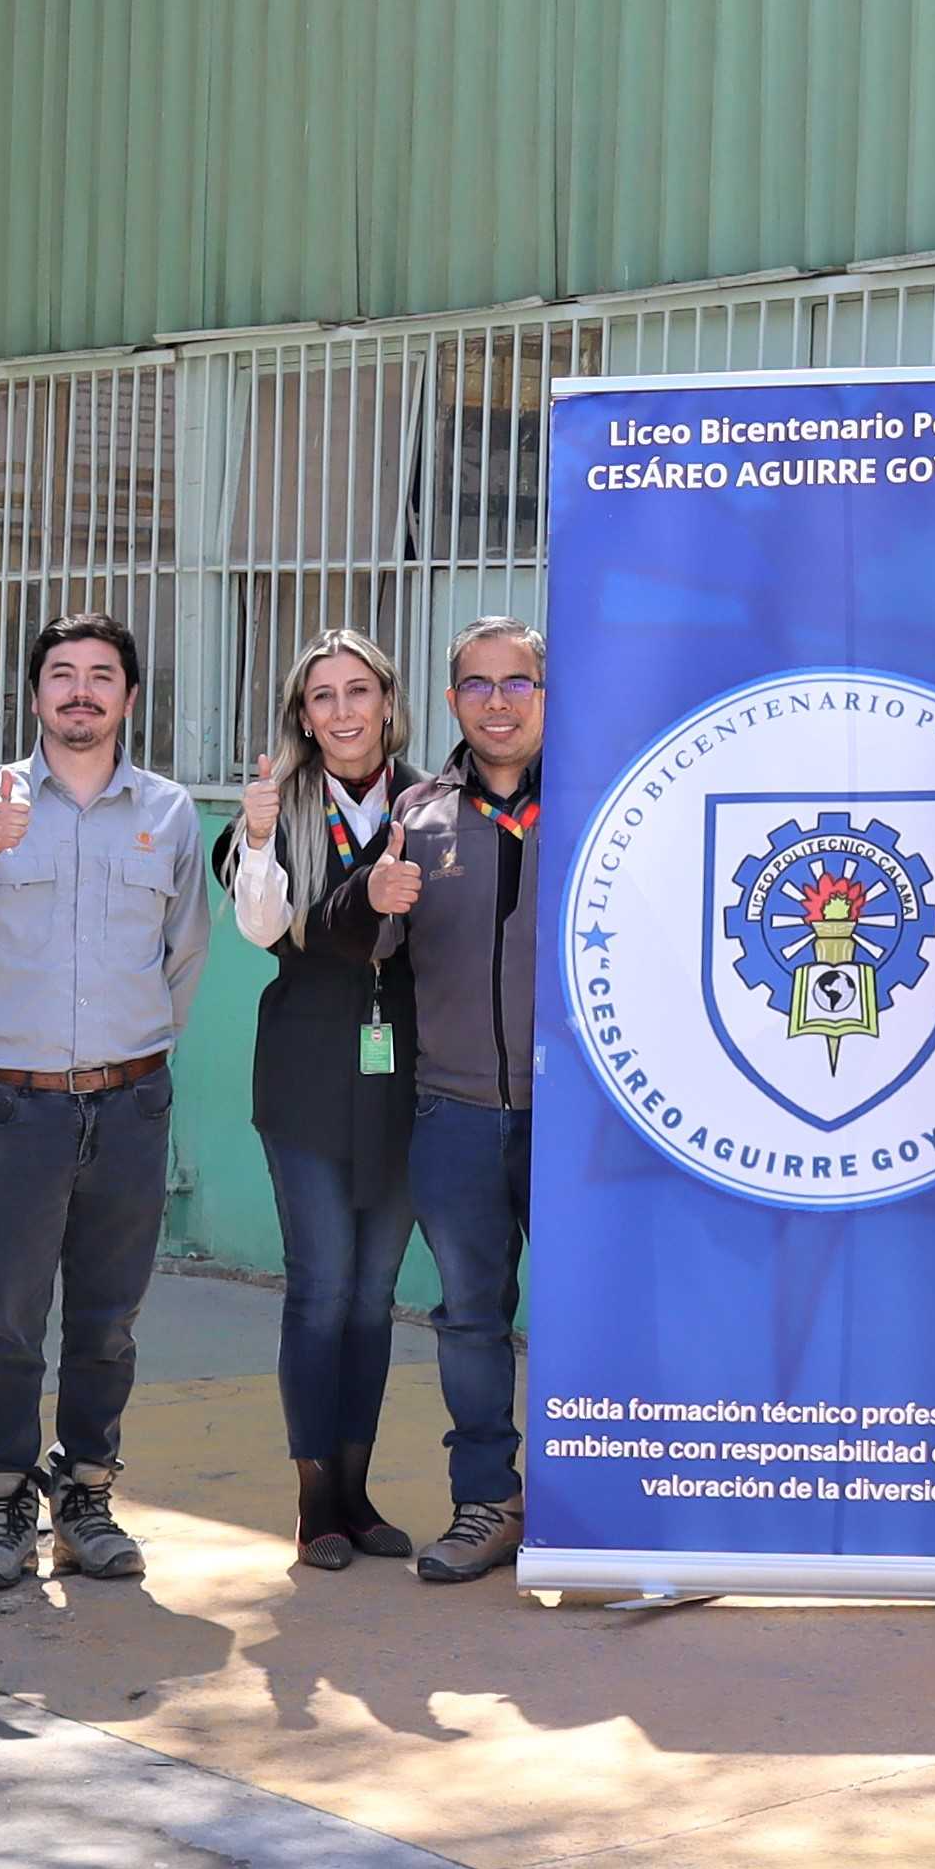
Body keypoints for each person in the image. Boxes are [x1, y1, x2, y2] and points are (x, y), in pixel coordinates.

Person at [0, 612, 213, 1596]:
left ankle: (86, 1494)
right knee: (7, 1319)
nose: (81, 691)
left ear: (126, 696)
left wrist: (137, 1057)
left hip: (128, 1101)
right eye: (62, 675)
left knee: (109, 1320)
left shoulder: (167, 812)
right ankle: (2, 1501)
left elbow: (186, 954)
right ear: (34, 695)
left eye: (101, 675)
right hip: (15, 1106)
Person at [225, 629, 426, 1570]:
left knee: (373, 1299)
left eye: (358, 691)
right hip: (306, 1076)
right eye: (322, 697)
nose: (342, 712)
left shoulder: (430, 800)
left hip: (404, 1078)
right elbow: (260, 927)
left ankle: (357, 1487)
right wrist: (259, 838)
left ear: (388, 701)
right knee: (321, 1290)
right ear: (301, 714)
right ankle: (315, 1505)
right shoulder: (281, 806)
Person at [396, 619, 551, 1584]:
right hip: (450, 1110)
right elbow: (368, 950)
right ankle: (485, 1500)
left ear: (546, 693)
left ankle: (594, 1500)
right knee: (468, 1318)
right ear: (451, 700)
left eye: (518, 681)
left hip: (575, 1118)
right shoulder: (416, 813)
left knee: (585, 1311)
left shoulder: (600, 803)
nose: (498, 700)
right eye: (477, 684)